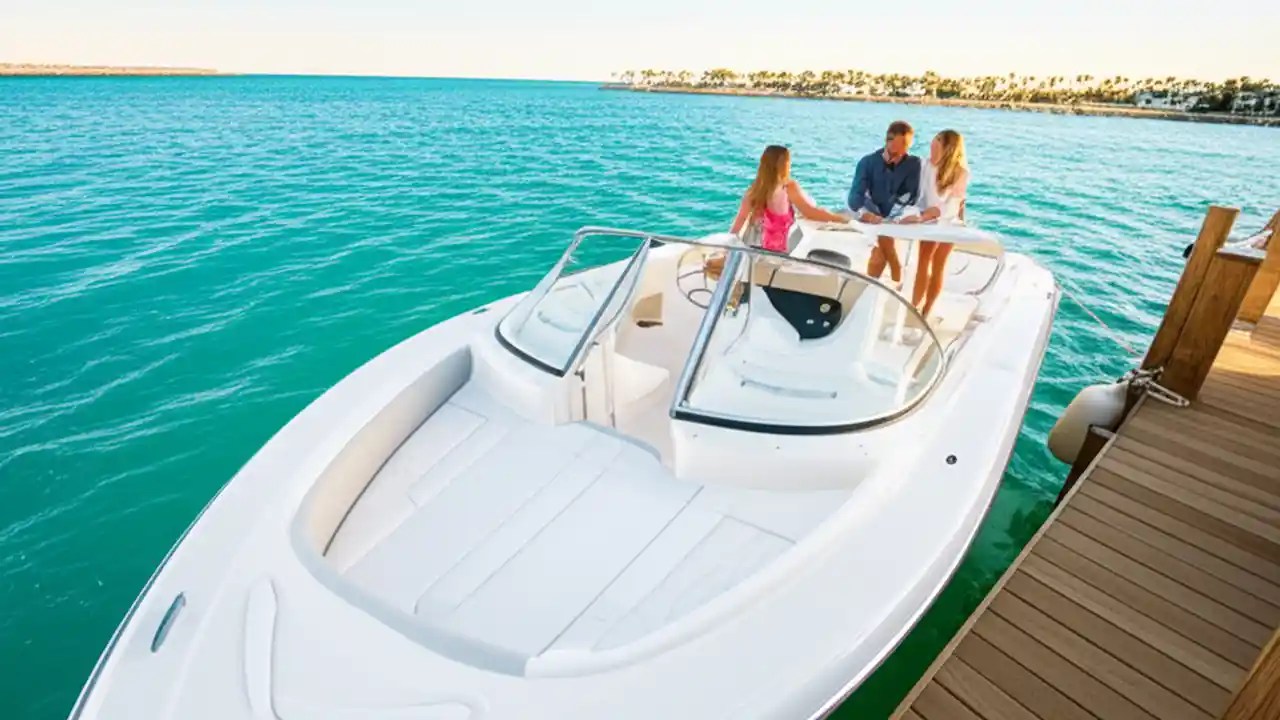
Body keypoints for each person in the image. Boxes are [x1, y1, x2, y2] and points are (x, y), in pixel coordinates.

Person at [900, 129, 969, 319]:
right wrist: (919, 215)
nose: (933, 144)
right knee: (923, 261)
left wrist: (930, 214)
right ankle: (913, 308)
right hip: (929, 220)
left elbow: (953, 206)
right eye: (934, 140)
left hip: (950, 222)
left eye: (938, 141)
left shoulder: (960, 172)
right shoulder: (924, 166)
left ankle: (927, 310)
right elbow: (920, 197)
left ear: (948, 148)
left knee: (938, 264)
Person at [731, 145, 848, 252]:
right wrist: (841, 219)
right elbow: (810, 212)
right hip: (776, 251)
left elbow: (740, 220)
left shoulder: (755, 189)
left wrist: (728, 244)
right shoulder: (787, 187)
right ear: (784, 164)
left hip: (751, 248)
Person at [847, 120, 922, 284]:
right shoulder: (868, 162)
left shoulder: (913, 164)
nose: (904, 149)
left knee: (881, 249)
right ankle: (895, 278)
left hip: (896, 217)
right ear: (888, 140)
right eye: (900, 144)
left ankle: (875, 283)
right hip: (871, 215)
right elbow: (855, 195)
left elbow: (911, 195)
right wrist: (864, 213)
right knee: (882, 248)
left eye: (906, 145)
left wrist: (893, 216)